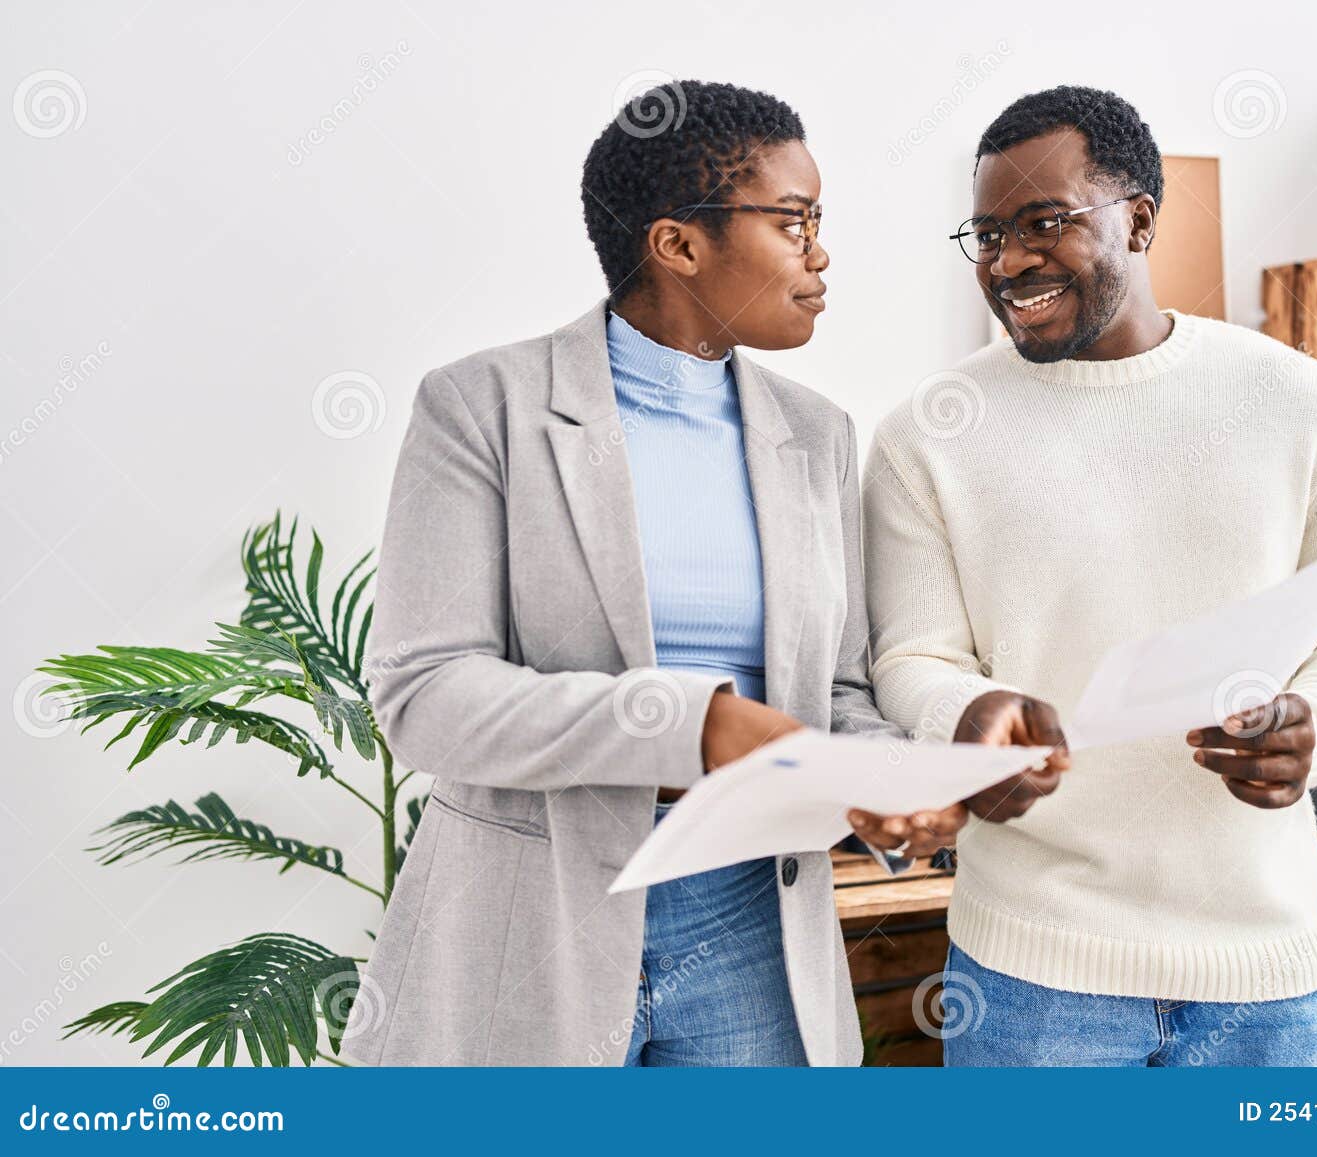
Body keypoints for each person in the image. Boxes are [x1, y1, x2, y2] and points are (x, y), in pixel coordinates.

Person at [341, 80, 971, 1067]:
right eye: (793, 221)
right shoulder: (483, 407)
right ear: (678, 245)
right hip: (528, 932)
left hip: (754, 940)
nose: (821, 253)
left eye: (820, 222)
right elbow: (427, 695)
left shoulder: (818, 434)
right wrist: (694, 724)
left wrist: (884, 778)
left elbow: (836, 690)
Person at [863, 85, 1317, 1066]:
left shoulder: (1303, 403)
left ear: (1139, 219)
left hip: (1266, 979)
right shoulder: (928, 431)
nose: (1008, 262)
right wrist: (966, 715)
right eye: (987, 234)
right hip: (1029, 977)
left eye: (1043, 222)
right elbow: (912, 653)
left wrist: (1315, 723)